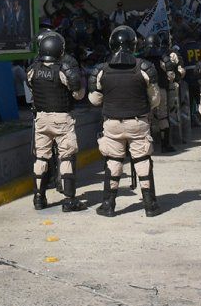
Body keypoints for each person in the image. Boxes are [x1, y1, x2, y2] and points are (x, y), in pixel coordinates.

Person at [89, 26, 160, 217]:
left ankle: (108, 204)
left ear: (112, 43)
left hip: (112, 124)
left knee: (113, 161)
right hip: (138, 122)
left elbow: (94, 100)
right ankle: (150, 205)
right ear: (134, 44)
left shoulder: (101, 70)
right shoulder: (144, 67)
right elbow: (155, 99)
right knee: (143, 160)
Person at [27, 31, 87, 212]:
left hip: (41, 119)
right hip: (61, 119)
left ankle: (39, 197)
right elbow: (78, 93)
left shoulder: (32, 69)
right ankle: (69, 200)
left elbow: (31, 87)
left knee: (41, 157)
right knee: (66, 155)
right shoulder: (62, 70)